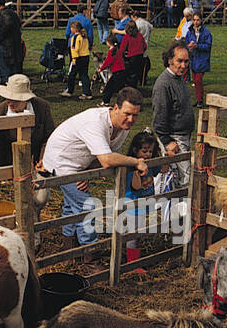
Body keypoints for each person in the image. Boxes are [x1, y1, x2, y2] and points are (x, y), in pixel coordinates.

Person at [40, 86, 148, 264]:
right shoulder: (95, 122)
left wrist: (87, 174)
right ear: (115, 108)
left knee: (72, 205)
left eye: (135, 115)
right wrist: (136, 161)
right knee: (86, 207)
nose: (131, 119)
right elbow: (107, 159)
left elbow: (108, 155)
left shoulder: (122, 127)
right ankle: (91, 257)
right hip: (62, 161)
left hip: (80, 162)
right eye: (127, 113)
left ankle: (69, 248)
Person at [0, 73, 55, 174]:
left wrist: (44, 160)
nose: (10, 103)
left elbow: (49, 137)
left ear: (26, 99)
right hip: (11, 165)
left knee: (41, 189)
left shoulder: (42, 107)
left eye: (15, 100)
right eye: (8, 99)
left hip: (37, 163)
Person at [152, 40, 194, 190]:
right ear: (170, 60)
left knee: (182, 179)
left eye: (186, 61)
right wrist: (166, 141)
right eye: (179, 61)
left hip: (183, 137)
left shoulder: (178, 79)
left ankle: (177, 211)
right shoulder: (164, 84)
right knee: (173, 179)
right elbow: (159, 117)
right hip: (173, 140)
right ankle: (167, 210)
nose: (183, 65)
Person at [121, 129, 157, 264]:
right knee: (134, 235)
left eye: (150, 151)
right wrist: (137, 170)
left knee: (138, 231)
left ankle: (128, 254)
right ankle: (133, 263)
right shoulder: (132, 168)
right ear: (135, 150)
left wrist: (167, 156)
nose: (148, 154)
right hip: (133, 206)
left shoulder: (150, 163)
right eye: (145, 151)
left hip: (144, 204)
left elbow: (163, 170)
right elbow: (136, 186)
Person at [186, 11, 212, 107]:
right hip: (193, 59)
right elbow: (186, 42)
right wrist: (188, 45)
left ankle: (200, 100)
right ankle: (198, 99)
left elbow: (208, 46)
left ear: (201, 20)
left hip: (202, 59)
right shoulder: (190, 31)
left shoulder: (206, 32)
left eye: (198, 20)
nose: (196, 22)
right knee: (195, 81)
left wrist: (197, 46)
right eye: (194, 20)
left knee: (198, 80)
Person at [63, 19, 93, 99]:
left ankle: (69, 91)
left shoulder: (75, 38)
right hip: (86, 57)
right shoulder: (84, 36)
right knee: (84, 75)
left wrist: (74, 59)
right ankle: (87, 93)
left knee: (72, 75)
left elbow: (75, 49)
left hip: (78, 58)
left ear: (74, 29)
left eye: (71, 28)